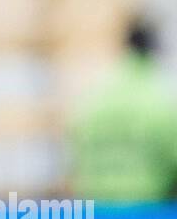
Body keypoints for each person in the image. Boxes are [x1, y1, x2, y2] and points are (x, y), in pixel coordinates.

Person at [68, 20, 177, 203]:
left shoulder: (95, 96)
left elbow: (75, 146)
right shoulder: (160, 98)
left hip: (98, 207)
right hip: (150, 210)